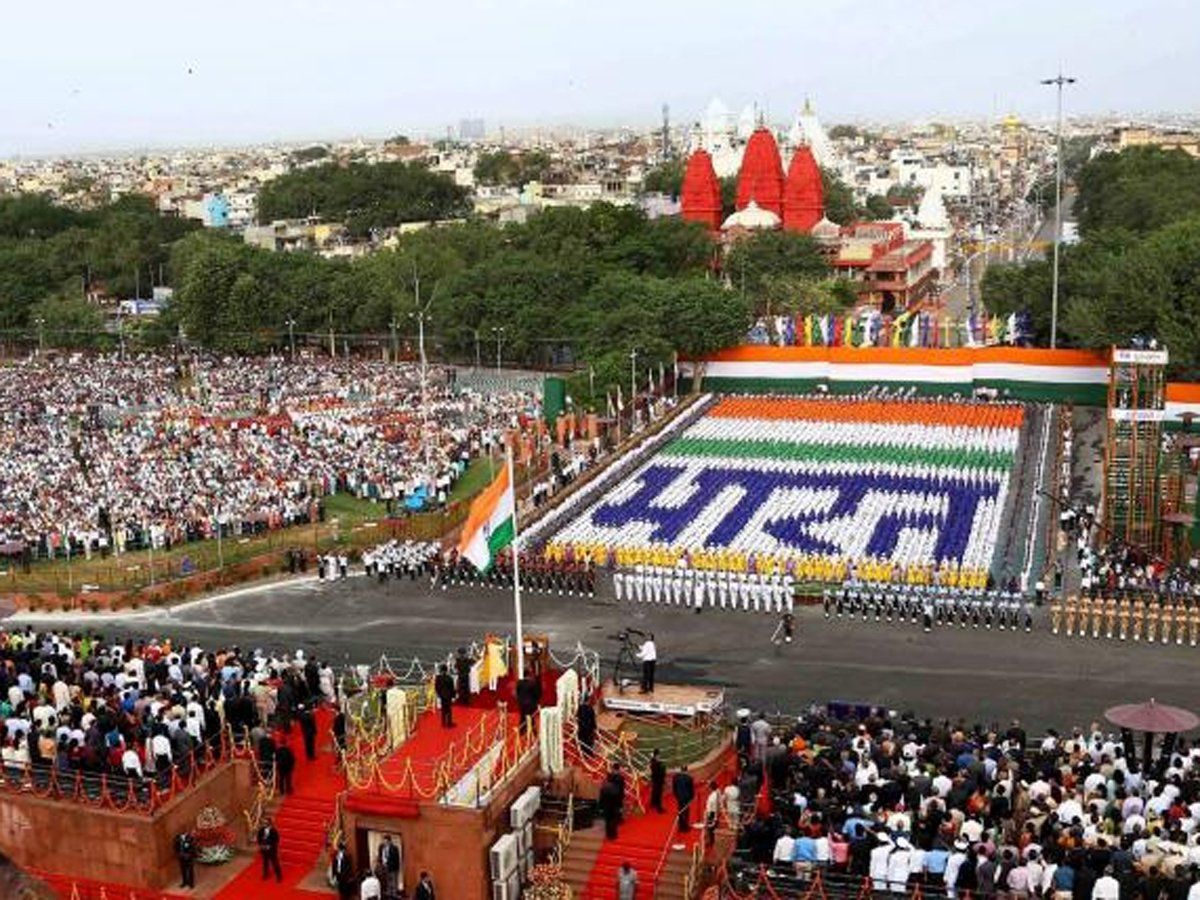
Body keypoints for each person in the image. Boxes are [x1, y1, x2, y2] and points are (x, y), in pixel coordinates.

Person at [599, 771, 624, 839]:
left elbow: (601, 798)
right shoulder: (616, 788)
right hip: (614, 807)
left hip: (606, 807)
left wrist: (600, 807)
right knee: (613, 821)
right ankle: (613, 834)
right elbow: (618, 798)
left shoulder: (604, 787)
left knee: (607, 821)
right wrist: (620, 807)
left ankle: (608, 834)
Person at [257, 815, 282, 882]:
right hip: (264, 849)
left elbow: (276, 840)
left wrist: (270, 846)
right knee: (265, 862)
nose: (264, 824)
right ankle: (265, 874)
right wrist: (261, 845)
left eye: (266, 823)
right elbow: (258, 838)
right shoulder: (261, 830)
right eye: (263, 823)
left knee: (275, 862)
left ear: (269, 823)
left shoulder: (273, 831)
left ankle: (279, 876)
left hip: (272, 850)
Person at [672, 764, 695, 832]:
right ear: (686, 770)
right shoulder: (689, 778)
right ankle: (685, 827)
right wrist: (691, 798)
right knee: (686, 812)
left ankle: (680, 826)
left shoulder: (676, 777)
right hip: (686, 798)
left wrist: (676, 796)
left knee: (680, 811)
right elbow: (691, 790)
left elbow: (674, 788)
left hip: (679, 797)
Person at [649, 748, 666, 813]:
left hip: (655, 779)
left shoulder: (653, 761)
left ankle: (653, 803)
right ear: (657, 755)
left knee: (654, 792)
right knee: (658, 793)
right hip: (658, 780)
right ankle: (659, 808)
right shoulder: (656, 763)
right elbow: (659, 771)